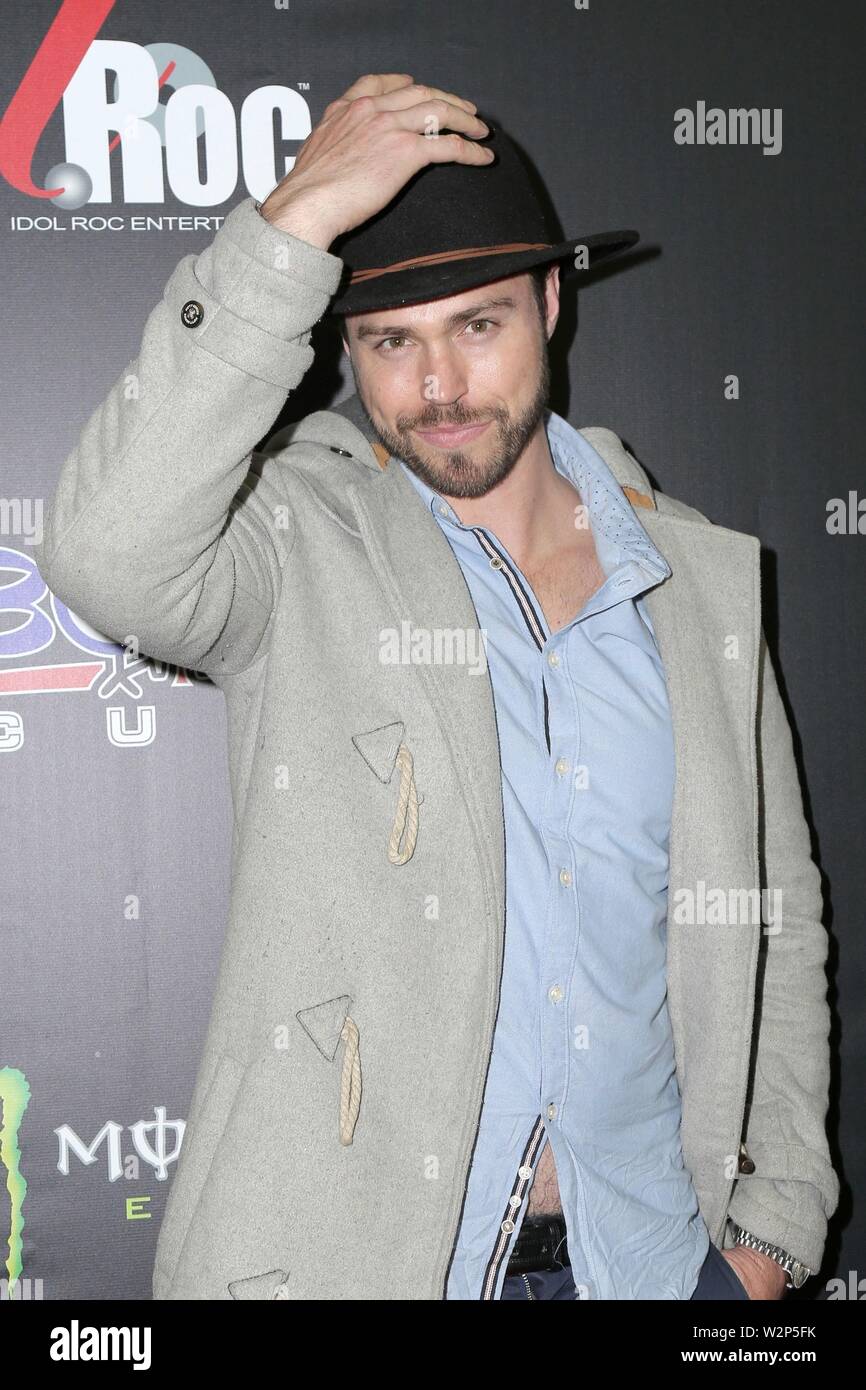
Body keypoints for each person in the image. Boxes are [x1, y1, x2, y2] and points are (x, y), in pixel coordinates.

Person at [36, 73, 838, 1301]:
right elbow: (106, 549)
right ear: (340, 348)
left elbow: (770, 922)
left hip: (656, 1269)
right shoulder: (301, 544)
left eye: (477, 325)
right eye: (389, 343)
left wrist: (771, 1236)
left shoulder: (697, 586)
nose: (439, 388)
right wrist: (288, 225)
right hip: (365, 1267)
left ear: (553, 304)